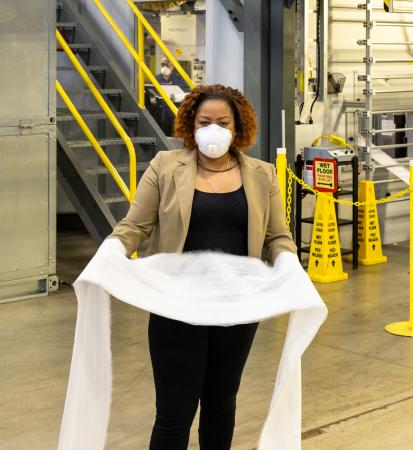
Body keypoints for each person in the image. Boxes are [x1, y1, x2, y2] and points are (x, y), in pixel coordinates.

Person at [107, 84, 295, 449]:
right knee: (175, 412)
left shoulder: (262, 174)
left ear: (237, 127)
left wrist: (286, 260)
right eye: (205, 121)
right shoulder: (164, 167)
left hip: (237, 309)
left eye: (223, 122)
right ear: (191, 125)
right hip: (177, 308)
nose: (214, 129)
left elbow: (277, 236)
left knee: (221, 404)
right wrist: (112, 251)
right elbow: (135, 226)